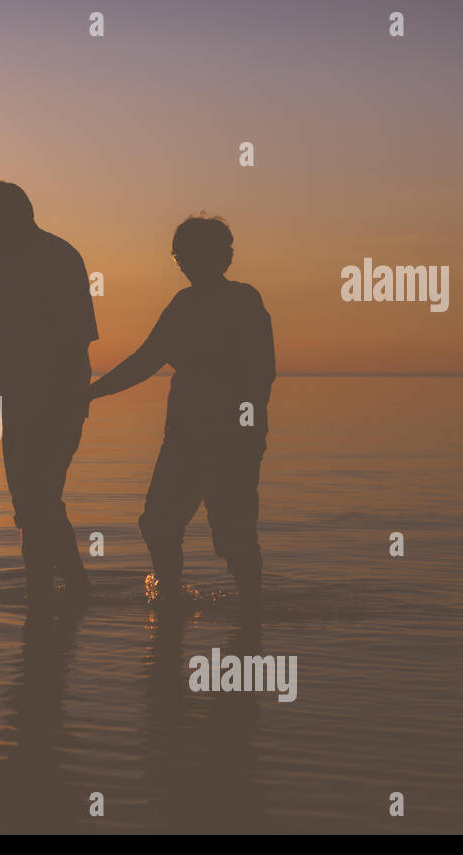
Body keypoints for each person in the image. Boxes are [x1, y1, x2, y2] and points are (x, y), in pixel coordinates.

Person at [90, 215, 275, 611]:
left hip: (232, 440)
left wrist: (245, 432)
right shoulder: (182, 305)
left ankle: (252, 608)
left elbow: (261, 372)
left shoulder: (244, 300)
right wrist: (92, 394)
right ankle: (170, 598)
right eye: (181, 256)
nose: (186, 263)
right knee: (158, 524)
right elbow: (146, 360)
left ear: (223, 257)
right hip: (183, 438)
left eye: (193, 254)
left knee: (232, 536)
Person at [0, 181, 98, 611]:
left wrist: (60, 397)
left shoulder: (59, 257)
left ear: (14, 216)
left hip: (57, 400)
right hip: (17, 403)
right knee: (30, 504)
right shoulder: (2, 267)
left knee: (39, 498)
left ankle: (57, 594)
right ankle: (49, 593)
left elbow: (79, 334)